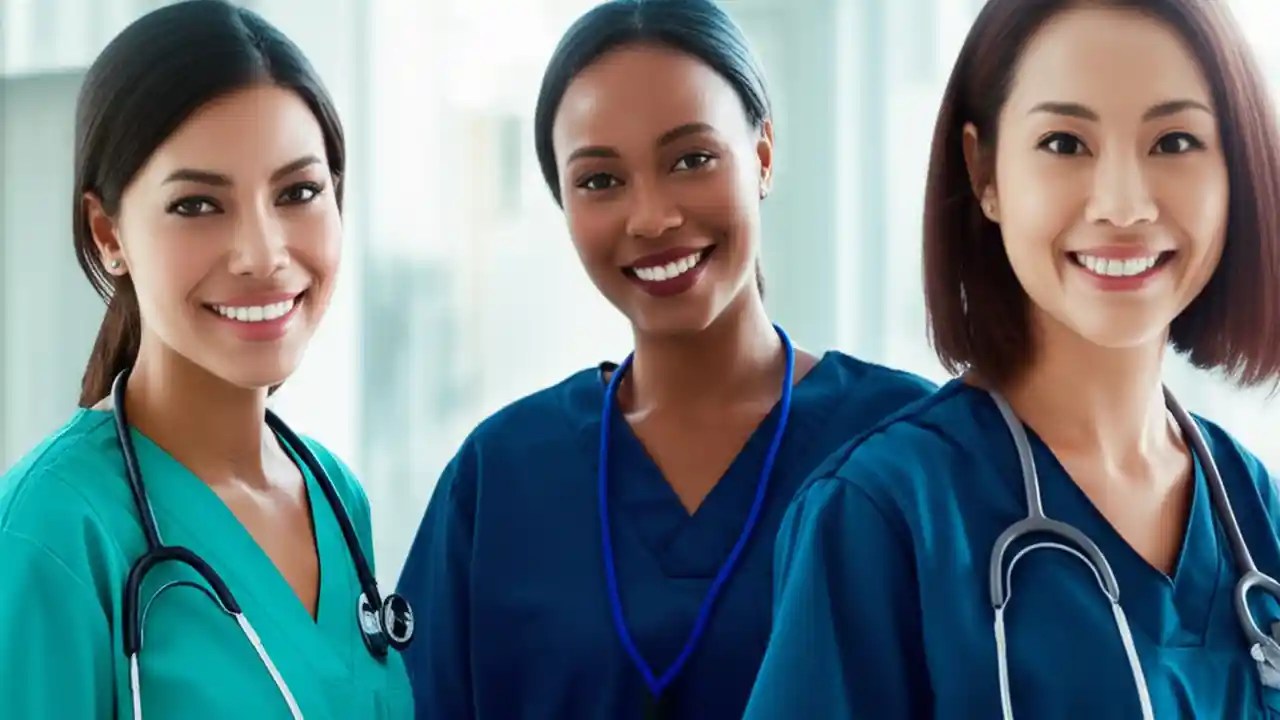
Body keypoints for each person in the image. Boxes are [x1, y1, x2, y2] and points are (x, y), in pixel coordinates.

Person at [393, 1, 936, 718]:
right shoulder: (499, 476)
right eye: (600, 181)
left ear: (763, 156)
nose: (651, 218)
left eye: (691, 160)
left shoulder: (905, 446)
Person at [744, 0, 1280, 717]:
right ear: (984, 172)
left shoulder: (1254, 508)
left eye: (1175, 141)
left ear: (1236, 168)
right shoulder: (883, 513)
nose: (1124, 206)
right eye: (1064, 143)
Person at [0, 1, 414, 717]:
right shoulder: (52, 532)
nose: (262, 254)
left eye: (298, 193)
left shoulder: (336, 498)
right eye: (197, 205)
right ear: (108, 234)